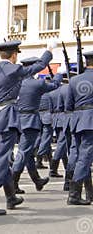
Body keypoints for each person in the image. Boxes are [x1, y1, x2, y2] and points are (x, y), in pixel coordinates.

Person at [0, 40, 55, 216]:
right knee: (1, 159)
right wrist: (49, 51)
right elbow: (38, 67)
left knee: (3, 158)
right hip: (7, 118)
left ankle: (10, 196)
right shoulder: (13, 70)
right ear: (14, 55)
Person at [11, 57, 63, 194]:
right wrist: (58, 74)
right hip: (31, 120)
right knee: (24, 151)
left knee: (27, 153)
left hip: (19, 120)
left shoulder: (16, 83)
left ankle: (36, 180)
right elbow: (54, 86)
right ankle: (13, 182)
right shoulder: (36, 83)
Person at [65, 51, 93, 206]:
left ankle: (89, 192)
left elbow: (69, 105)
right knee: (85, 157)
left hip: (77, 121)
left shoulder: (74, 80)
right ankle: (74, 194)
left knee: (83, 156)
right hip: (91, 121)